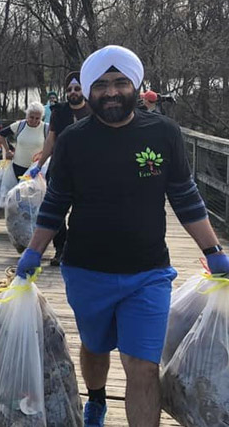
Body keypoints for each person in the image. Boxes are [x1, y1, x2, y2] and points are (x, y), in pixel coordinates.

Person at [15, 45, 229, 427]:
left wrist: (213, 250)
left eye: (119, 82)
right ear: (88, 90)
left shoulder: (163, 132)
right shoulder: (73, 140)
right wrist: (33, 252)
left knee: (143, 365)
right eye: (100, 85)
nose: (111, 92)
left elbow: (185, 197)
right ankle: (96, 398)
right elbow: (55, 203)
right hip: (87, 270)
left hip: (148, 272)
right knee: (95, 349)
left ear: (135, 85)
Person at [33, 72, 91, 266]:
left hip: (87, 168)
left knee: (84, 210)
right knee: (57, 210)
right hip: (61, 167)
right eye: (69, 89)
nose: (73, 92)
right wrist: (39, 164)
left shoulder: (93, 110)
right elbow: (51, 139)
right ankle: (60, 249)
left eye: (77, 88)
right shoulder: (59, 111)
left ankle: (79, 248)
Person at [0, 101, 50, 179]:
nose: (34, 120)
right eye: (31, 117)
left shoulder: (46, 128)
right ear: (27, 115)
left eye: (37, 118)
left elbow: (52, 144)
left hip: (36, 168)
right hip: (18, 166)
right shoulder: (20, 125)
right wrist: (8, 150)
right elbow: (1, 134)